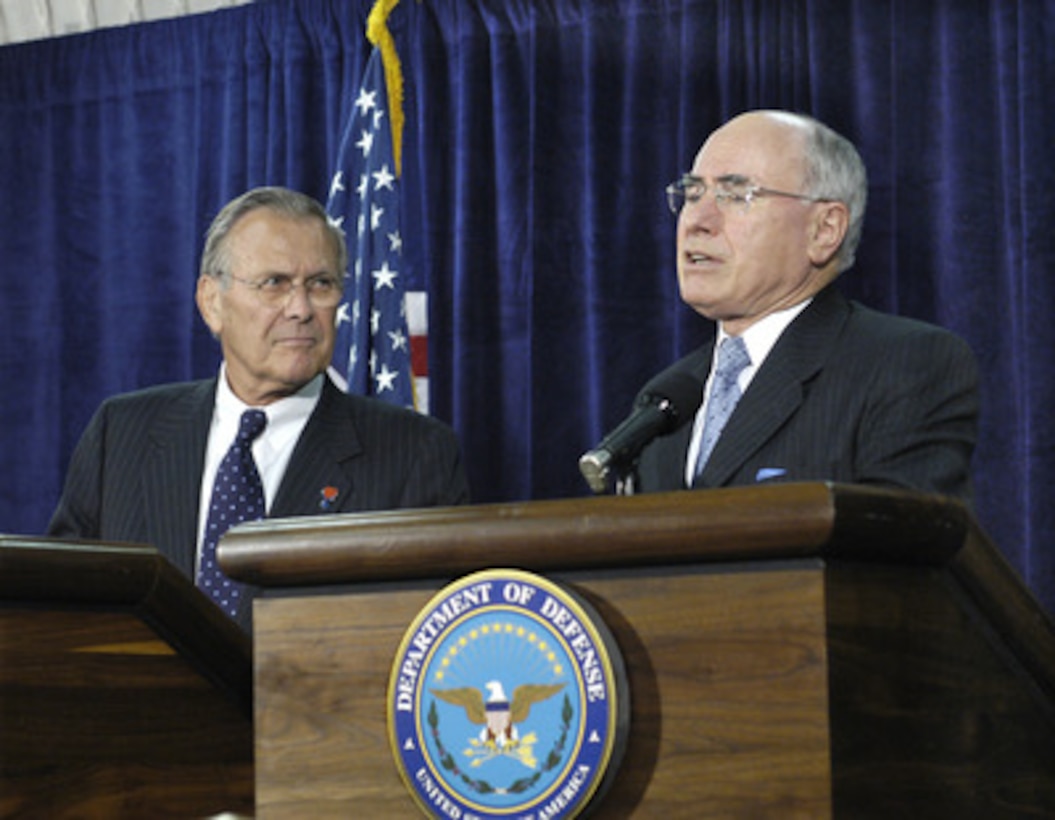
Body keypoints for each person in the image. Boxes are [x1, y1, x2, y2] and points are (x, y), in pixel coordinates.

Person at [47, 187, 470, 629]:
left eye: (320, 284)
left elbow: (428, 645)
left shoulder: (414, 454)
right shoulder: (121, 435)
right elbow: (61, 614)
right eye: (275, 284)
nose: (301, 309)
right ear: (212, 302)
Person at [634, 110, 978, 500]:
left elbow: (897, 547)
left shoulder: (904, 364)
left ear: (825, 230)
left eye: (735, 194)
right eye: (693, 193)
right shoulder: (666, 401)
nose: (698, 219)